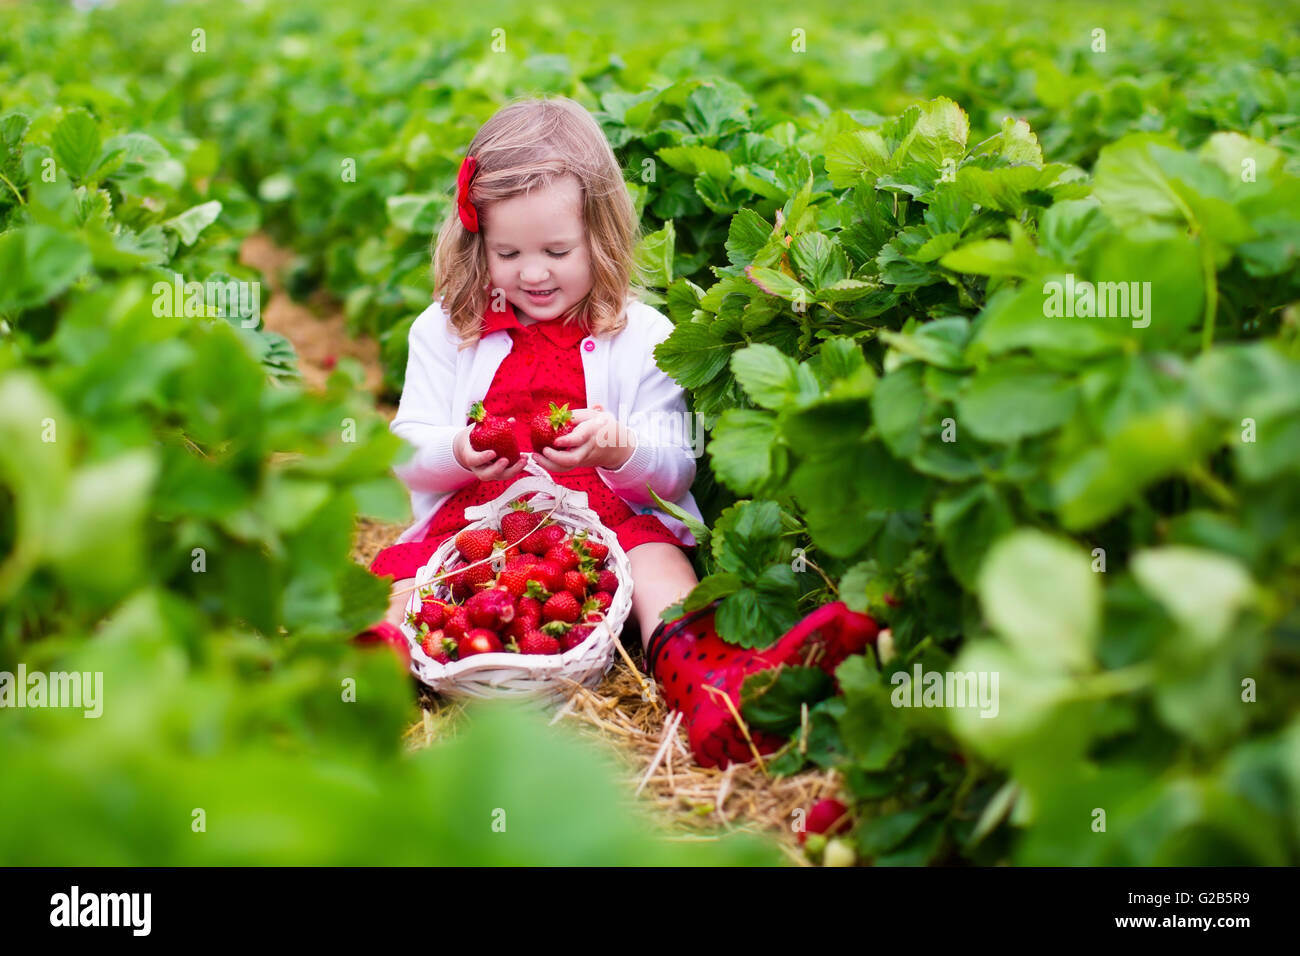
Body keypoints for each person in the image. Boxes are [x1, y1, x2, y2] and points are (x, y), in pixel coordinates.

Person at [357, 95, 878, 768]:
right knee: (407, 579)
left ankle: (713, 690)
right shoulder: (445, 330)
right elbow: (403, 453)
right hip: (476, 525)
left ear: (600, 236)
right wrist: (459, 449)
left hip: (602, 524)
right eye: (507, 251)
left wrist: (618, 447)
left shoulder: (643, 336)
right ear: (476, 237)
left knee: (660, 558)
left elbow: (675, 468)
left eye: (557, 249)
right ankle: (371, 674)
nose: (533, 272)